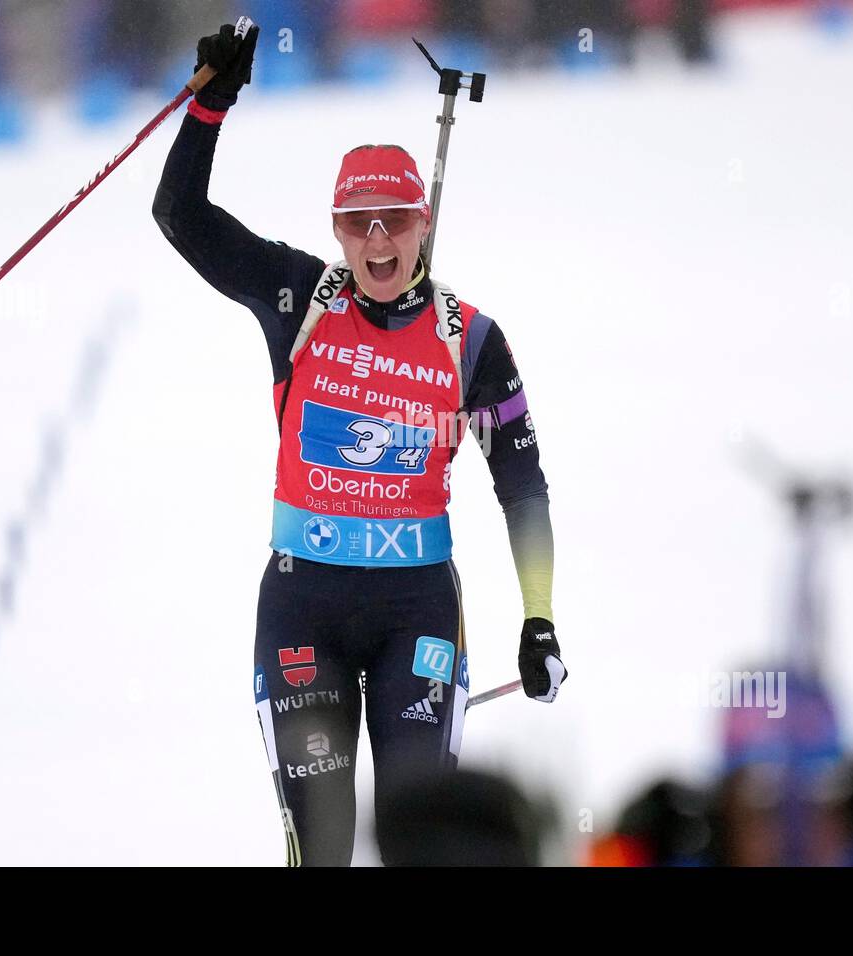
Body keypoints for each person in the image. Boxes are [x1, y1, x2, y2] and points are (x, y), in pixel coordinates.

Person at [152, 22, 567, 866]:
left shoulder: (471, 340)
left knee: (425, 843)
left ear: (423, 223)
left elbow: (521, 483)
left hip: (418, 614)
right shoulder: (298, 298)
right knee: (326, 845)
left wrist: (538, 619)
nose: (378, 242)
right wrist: (210, 105)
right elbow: (180, 216)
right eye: (358, 223)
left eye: (395, 221)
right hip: (303, 607)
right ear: (338, 231)